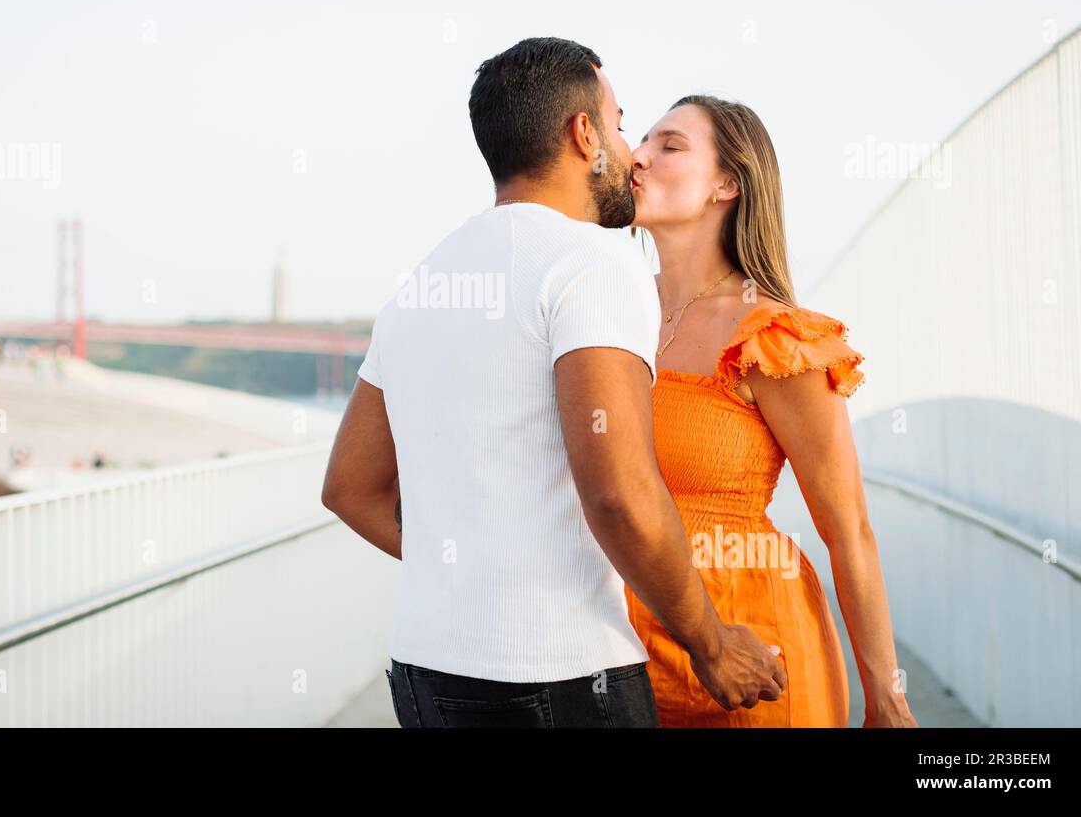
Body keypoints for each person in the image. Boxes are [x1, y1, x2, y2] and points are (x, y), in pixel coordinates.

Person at [321, 38, 785, 727]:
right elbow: (620, 492)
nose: (634, 155)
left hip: (426, 674)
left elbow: (350, 489)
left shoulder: (426, 281)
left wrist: (473, 565)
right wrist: (711, 645)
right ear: (583, 133)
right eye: (623, 124)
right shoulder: (593, 264)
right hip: (562, 677)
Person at [624, 95, 918, 727]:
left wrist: (887, 699)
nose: (637, 156)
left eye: (670, 146)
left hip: (756, 651)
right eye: (640, 139)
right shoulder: (609, 315)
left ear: (727, 183)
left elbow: (850, 531)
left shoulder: (771, 336)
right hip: (623, 659)